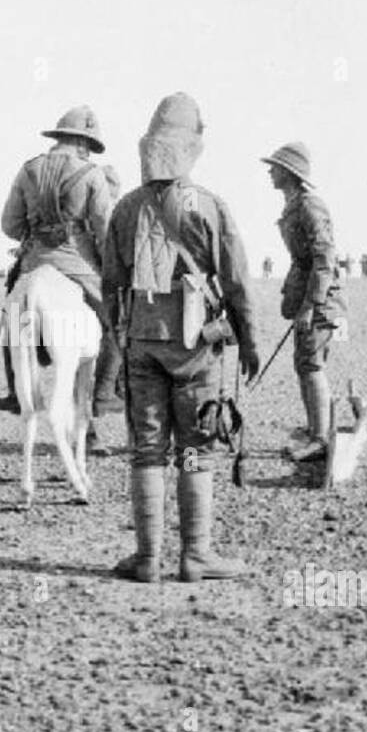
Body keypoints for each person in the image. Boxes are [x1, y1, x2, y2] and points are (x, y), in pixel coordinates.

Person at [103, 93, 263, 583]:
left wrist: (123, 335)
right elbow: (236, 281)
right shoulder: (210, 206)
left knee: (147, 449)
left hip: (143, 341)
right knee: (196, 446)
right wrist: (250, 342)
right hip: (196, 345)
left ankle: (147, 558)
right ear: (192, 147)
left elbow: (110, 285)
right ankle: (196, 556)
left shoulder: (127, 208)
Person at [0, 105, 121, 416]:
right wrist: (110, 267)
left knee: (11, 319)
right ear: (82, 142)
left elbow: (10, 226)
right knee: (118, 322)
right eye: (89, 147)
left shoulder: (28, 170)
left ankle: (14, 392)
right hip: (78, 264)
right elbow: (104, 229)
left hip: (33, 262)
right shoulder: (91, 175)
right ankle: (105, 393)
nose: (89, 153)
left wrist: (35, 233)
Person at [264, 142, 347, 462]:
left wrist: (310, 306)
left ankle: (319, 440)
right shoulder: (295, 205)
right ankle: (317, 432)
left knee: (311, 366)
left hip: (322, 302)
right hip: (310, 299)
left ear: (288, 172)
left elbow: (324, 260)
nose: (270, 172)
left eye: (274, 167)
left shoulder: (310, 206)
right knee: (305, 365)